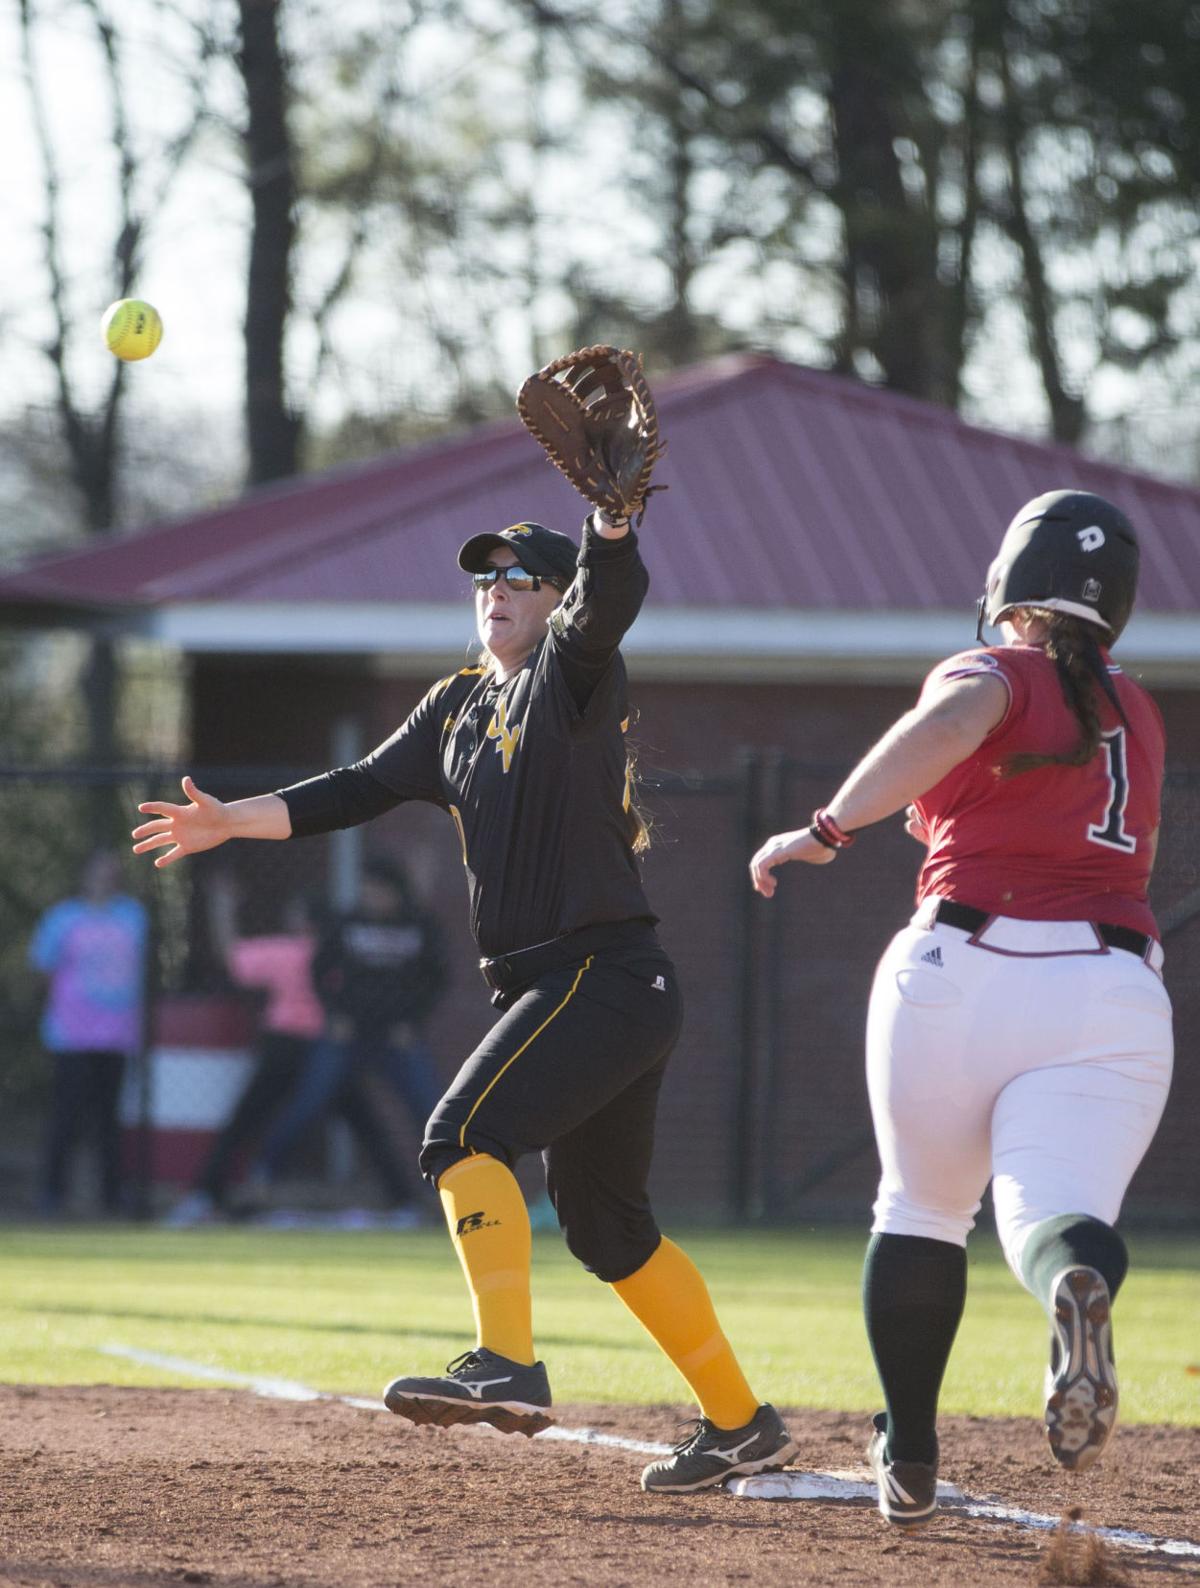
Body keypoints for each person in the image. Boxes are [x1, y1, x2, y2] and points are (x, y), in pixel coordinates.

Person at [132, 512, 797, 1494]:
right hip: (584, 988)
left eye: (525, 578)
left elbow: (610, 600)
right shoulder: (454, 706)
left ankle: (509, 1364)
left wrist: (609, 528)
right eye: (488, 576)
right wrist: (232, 819)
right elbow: (358, 786)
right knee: (610, 1234)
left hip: (600, 974)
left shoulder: (566, 679)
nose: (499, 589)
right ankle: (741, 1425)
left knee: (459, 1137)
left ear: (556, 599)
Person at [749, 490, 1172, 1526]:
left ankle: (911, 1451)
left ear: (1011, 584)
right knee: (1048, 1218)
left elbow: (951, 723)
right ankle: (1075, 1281)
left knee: (924, 1209)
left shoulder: (1000, 668)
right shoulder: (1141, 710)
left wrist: (826, 826)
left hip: (965, 961)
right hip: (1111, 988)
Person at [168, 873, 433, 1227]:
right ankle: (403, 1200)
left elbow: (230, 955)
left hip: (288, 1046)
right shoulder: (346, 952)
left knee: (246, 1121)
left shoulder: (286, 952)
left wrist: (223, 906)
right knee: (366, 1124)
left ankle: (207, 1194)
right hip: (330, 1046)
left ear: (304, 920)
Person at [246, 855, 446, 1213]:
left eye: (379, 891)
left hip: (396, 1037)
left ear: (395, 892)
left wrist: (411, 1022)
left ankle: (444, 1187)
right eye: (366, 889)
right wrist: (335, 1015)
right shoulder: (347, 923)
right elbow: (320, 972)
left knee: (431, 1109)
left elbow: (436, 980)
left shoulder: (419, 926)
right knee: (309, 1101)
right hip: (346, 1034)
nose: (372, 897)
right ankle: (264, 1176)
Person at [30, 850, 147, 1216]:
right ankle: (52, 1194)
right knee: (66, 1116)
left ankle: (112, 1197)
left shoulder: (133, 917)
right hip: (71, 1035)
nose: (104, 879)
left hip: (117, 1035)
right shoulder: (62, 918)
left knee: (109, 1121)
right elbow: (43, 968)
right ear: (84, 875)